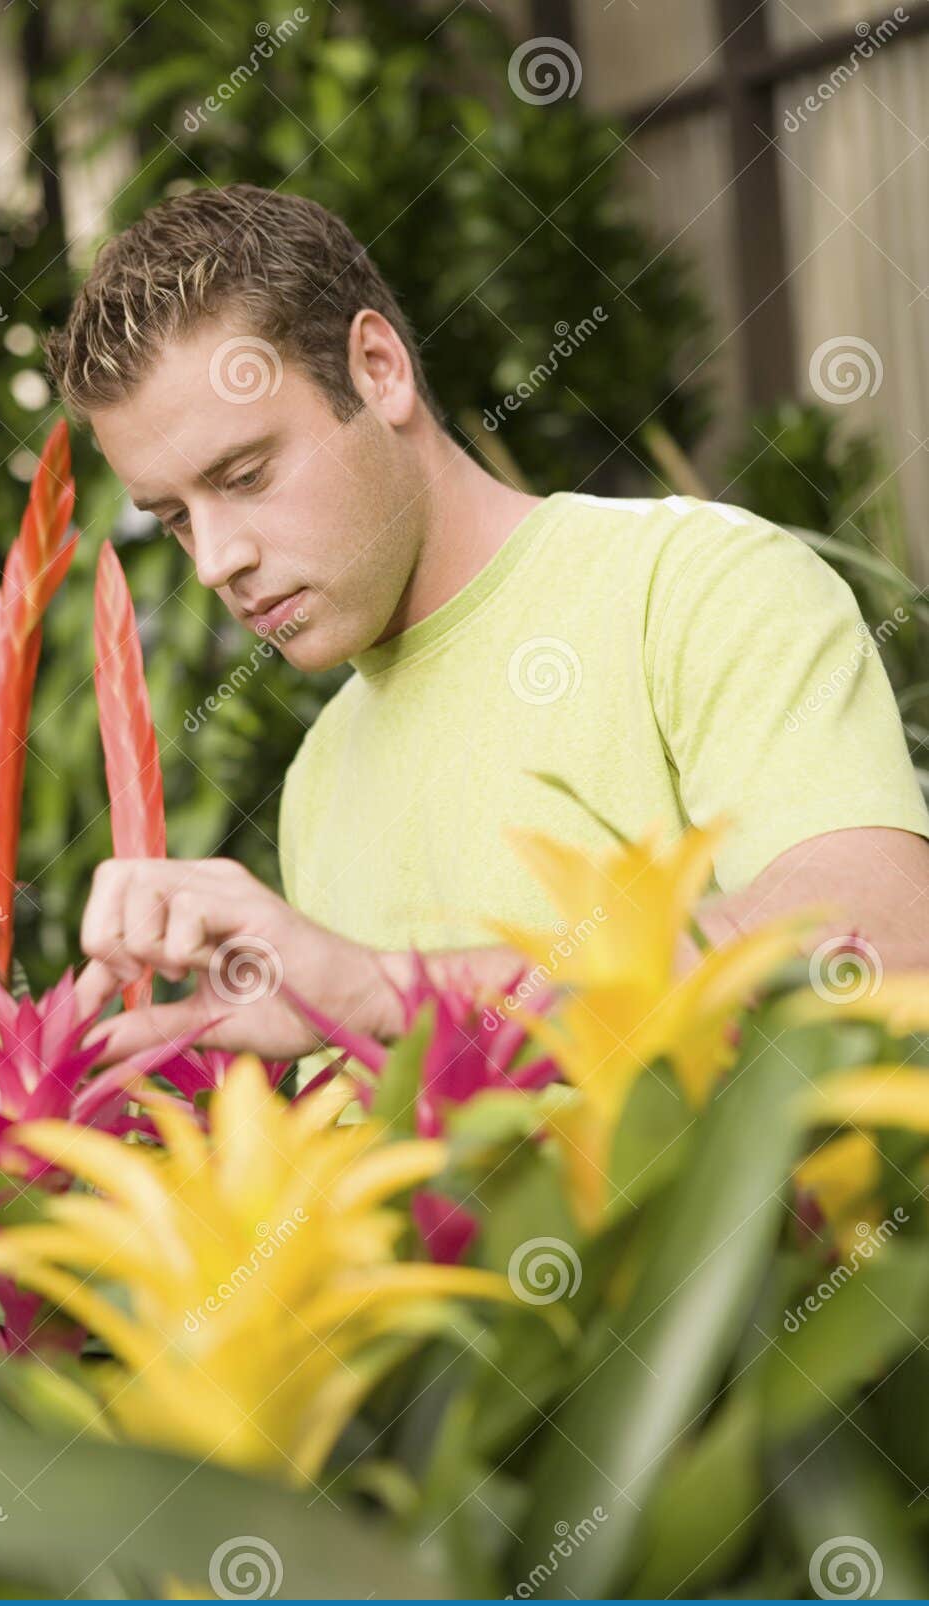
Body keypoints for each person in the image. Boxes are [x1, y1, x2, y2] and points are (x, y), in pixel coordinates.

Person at [46, 184, 929, 1064]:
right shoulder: (320, 776)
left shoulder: (695, 586)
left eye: (244, 477)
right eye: (173, 517)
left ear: (378, 370)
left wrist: (376, 989)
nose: (212, 560)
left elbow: (880, 942)